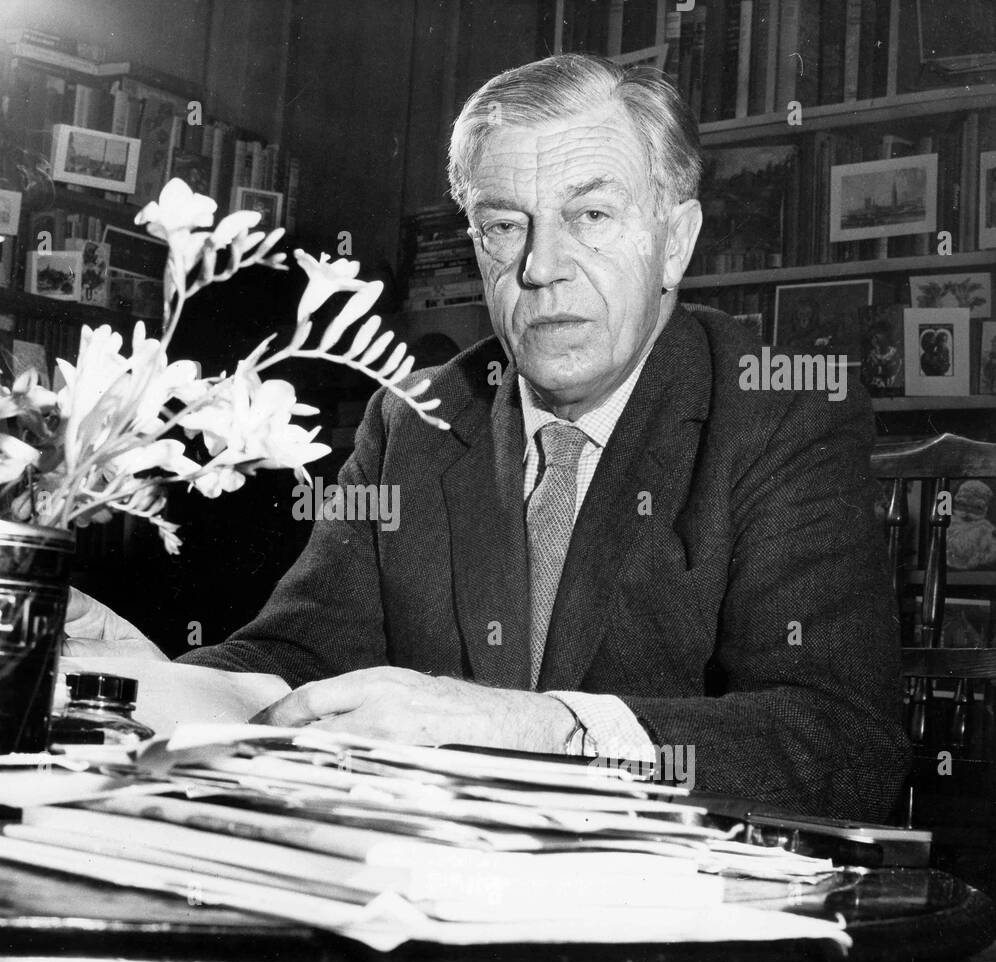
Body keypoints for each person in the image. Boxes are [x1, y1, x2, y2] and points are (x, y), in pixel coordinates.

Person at [70, 55, 907, 821]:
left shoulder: (779, 414)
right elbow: (302, 659)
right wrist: (149, 686)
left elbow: (843, 741)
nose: (541, 266)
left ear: (675, 242)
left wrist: (530, 731)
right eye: (505, 226)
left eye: (591, 214)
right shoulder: (415, 420)